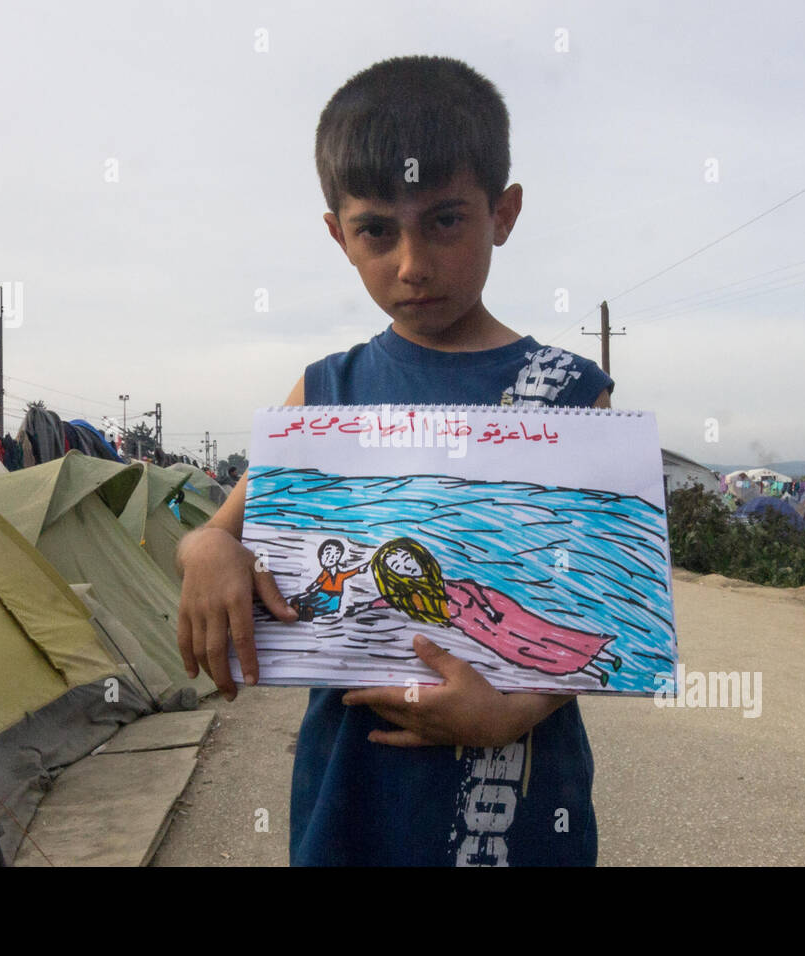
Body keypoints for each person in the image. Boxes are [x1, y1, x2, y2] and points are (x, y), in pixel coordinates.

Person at [176, 55, 613, 866]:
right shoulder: (322, 391)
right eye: (378, 229)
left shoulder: (569, 394)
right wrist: (207, 551)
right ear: (338, 233)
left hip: (515, 799)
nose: (412, 264)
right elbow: (215, 533)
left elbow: (607, 626)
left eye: (445, 220)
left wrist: (512, 712)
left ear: (503, 213)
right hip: (353, 798)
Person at [347, 538, 621, 685]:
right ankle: (595, 671)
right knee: (528, 653)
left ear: (419, 556)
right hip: (484, 633)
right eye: (397, 565)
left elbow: (476, 591)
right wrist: (362, 606)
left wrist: (492, 610)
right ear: (391, 574)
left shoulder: (447, 585)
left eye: (407, 558)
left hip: (495, 616)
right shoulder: (408, 598)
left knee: (543, 633)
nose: (406, 566)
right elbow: (385, 603)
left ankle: (603, 658)